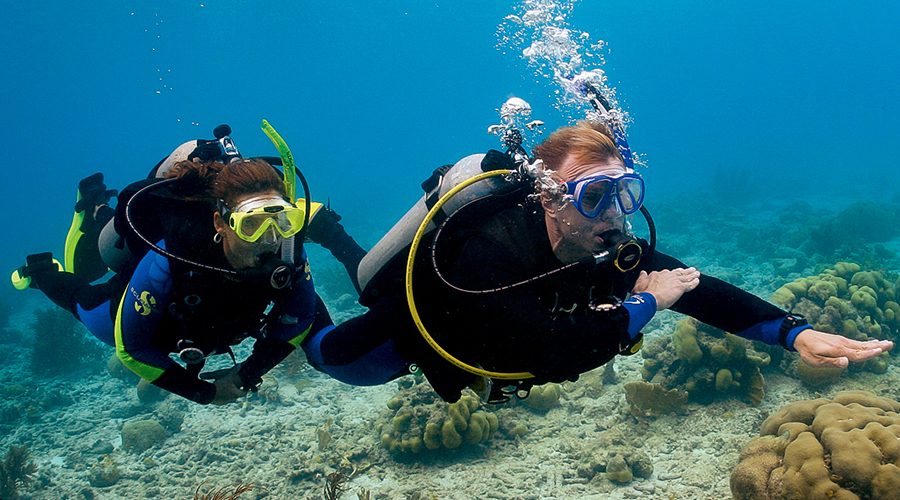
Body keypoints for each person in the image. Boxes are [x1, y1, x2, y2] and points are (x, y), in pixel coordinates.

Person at [301, 120, 894, 403]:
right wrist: (646, 302)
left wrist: (795, 334)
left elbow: (694, 286)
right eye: (593, 195)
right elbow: (552, 351)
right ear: (548, 198)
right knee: (328, 354)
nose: (615, 214)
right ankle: (310, 261)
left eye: (625, 193)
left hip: (505, 351)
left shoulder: (604, 245)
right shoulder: (488, 253)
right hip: (416, 336)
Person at [13, 129, 364, 405]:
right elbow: (131, 348)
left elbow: (301, 318)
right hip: (156, 323)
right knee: (86, 306)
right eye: (251, 224)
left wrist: (247, 373)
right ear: (220, 222)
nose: (269, 239)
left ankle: (98, 212)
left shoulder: (287, 249)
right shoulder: (174, 255)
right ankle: (48, 263)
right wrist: (205, 394)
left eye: (283, 221)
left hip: (213, 329)